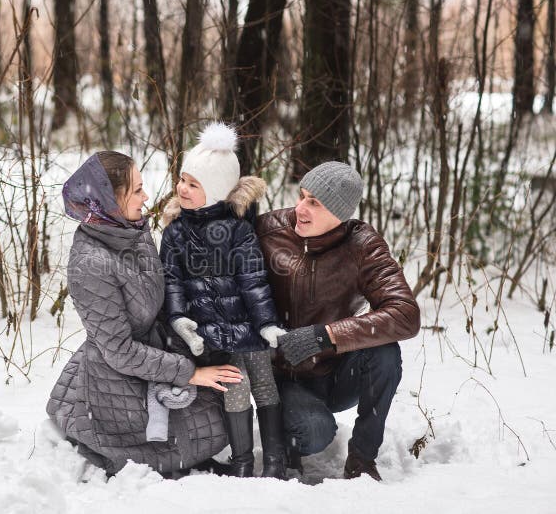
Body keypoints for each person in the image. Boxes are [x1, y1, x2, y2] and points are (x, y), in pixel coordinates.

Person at [46, 151, 243, 478]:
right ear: (109, 198)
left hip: (154, 350)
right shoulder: (91, 264)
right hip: (116, 374)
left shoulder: (130, 230)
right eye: (136, 190)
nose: (146, 196)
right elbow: (119, 351)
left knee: (223, 407)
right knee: (177, 440)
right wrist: (188, 373)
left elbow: (160, 294)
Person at [256, 161, 421, 481]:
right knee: (313, 433)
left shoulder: (362, 245)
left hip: (336, 372)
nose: (300, 208)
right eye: (301, 196)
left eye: (314, 203)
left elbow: (405, 313)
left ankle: (361, 460)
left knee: (385, 351)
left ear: (340, 214)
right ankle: (289, 441)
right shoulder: (268, 231)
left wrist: (326, 335)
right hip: (283, 377)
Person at [160, 123, 287, 479]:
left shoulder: (239, 230)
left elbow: (253, 281)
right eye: (182, 179)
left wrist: (266, 322)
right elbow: (172, 281)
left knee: (263, 381)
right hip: (210, 330)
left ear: (215, 191)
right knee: (236, 383)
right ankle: (243, 462)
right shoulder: (174, 233)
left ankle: (276, 460)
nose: (181, 188)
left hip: (247, 325)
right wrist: (178, 317)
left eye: (193, 184)